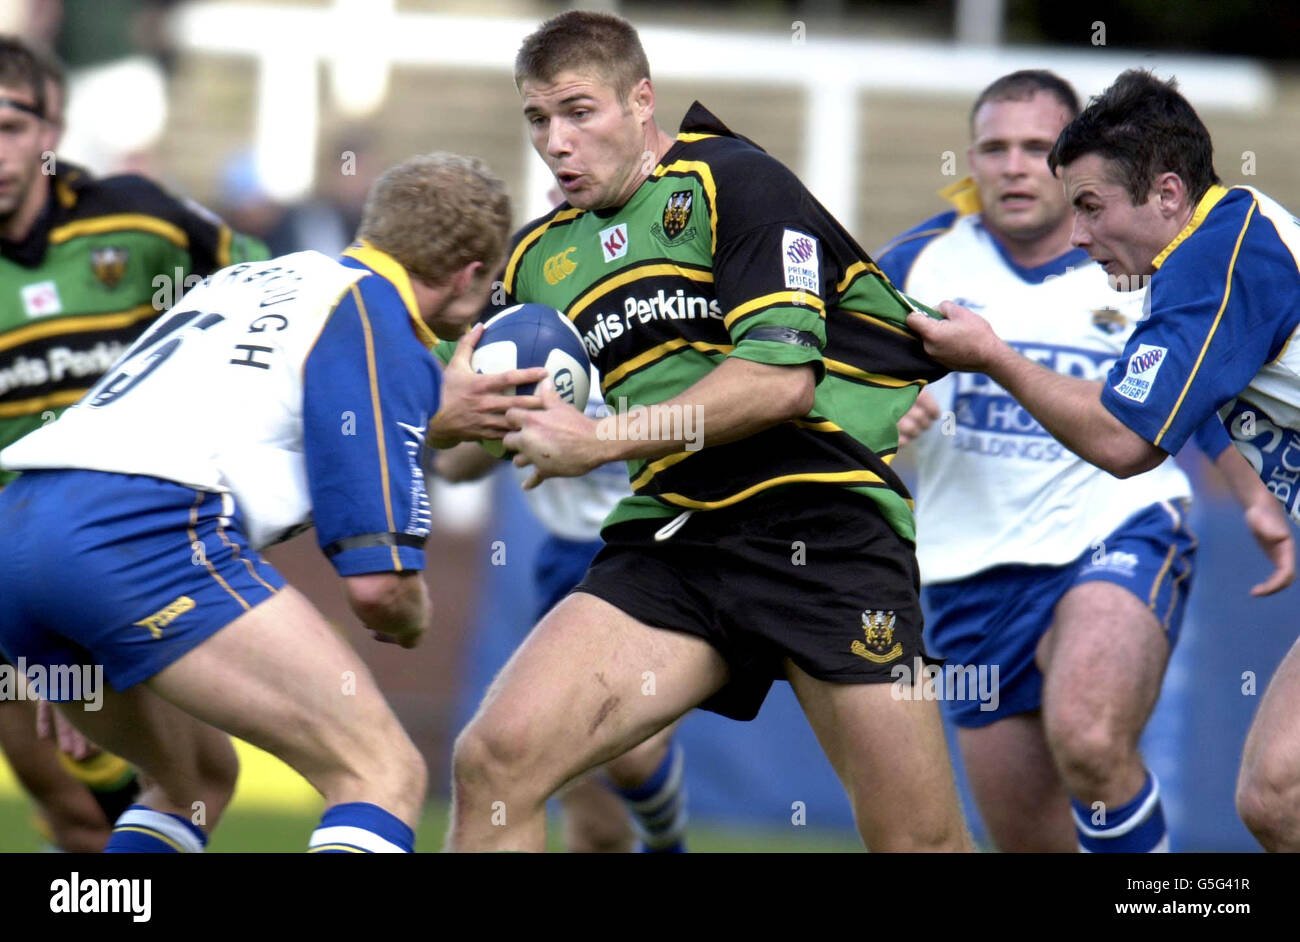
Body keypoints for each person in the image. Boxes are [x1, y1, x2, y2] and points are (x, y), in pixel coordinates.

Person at [440, 10, 970, 853]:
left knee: (921, 843)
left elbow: (779, 383)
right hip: (676, 540)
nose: (556, 142)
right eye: (538, 119)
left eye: (580, 111)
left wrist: (597, 443)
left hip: (823, 525)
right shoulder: (536, 262)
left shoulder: (733, 179)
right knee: (494, 763)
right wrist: (439, 417)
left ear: (641, 100)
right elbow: (468, 437)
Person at [0, 151, 544, 852]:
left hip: (19, 538)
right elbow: (378, 588)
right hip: (137, 535)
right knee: (380, 771)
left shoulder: (255, 277)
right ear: (473, 276)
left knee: (192, 783)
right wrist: (413, 617)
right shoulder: (379, 323)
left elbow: (286, 405)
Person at [906, 68, 1300, 851]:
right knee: (1275, 798)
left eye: (1090, 207)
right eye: (995, 147)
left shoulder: (1214, 261)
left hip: (1114, 527)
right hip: (971, 570)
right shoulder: (1217, 248)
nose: (1078, 236)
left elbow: (1126, 441)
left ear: (1166, 193)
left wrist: (993, 356)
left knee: (1267, 787)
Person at [0, 35, 263, 851]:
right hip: (11, 572)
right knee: (81, 809)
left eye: (11, 125)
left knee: (191, 787)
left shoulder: (138, 218)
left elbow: (269, 295)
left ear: (53, 133)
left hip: (135, 552)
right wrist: (35, 640)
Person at [437, 374, 688, 853]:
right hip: (571, 570)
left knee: (631, 756)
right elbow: (455, 465)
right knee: (598, 829)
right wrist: (495, 424)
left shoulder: (666, 325)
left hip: (668, 551)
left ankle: (668, 843)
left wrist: (601, 437)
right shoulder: (535, 335)